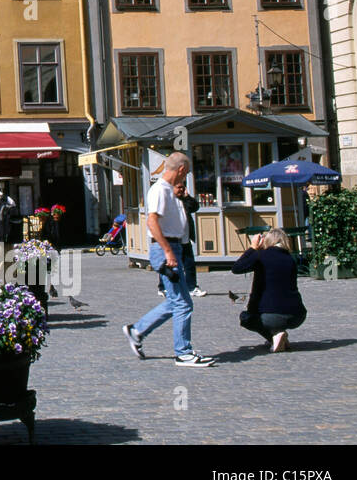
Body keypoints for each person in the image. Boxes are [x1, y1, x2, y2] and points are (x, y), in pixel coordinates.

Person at [123, 152, 215, 367]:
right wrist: (168, 252)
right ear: (181, 169)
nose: (186, 177)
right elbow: (151, 222)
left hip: (174, 247)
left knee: (177, 301)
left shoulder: (172, 192)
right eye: (187, 173)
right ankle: (182, 352)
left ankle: (137, 330)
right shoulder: (160, 190)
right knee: (183, 303)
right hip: (166, 249)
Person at [232, 229, 306, 352]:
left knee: (245, 318)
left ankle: (275, 336)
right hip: (297, 315)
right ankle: (279, 337)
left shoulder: (261, 256)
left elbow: (237, 268)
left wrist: (252, 248)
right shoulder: (291, 259)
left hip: (271, 316)